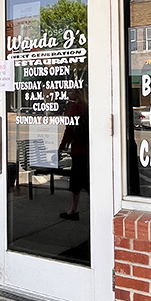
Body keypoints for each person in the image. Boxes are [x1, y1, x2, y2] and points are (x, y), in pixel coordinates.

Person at [58, 87, 89, 220]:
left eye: (70, 91)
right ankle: (73, 210)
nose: (67, 93)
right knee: (85, 181)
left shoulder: (75, 108)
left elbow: (69, 130)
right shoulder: (86, 107)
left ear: (77, 93)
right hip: (87, 149)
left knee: (77, 182)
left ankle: (72, 210)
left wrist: (62, 148)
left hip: (79, 150)